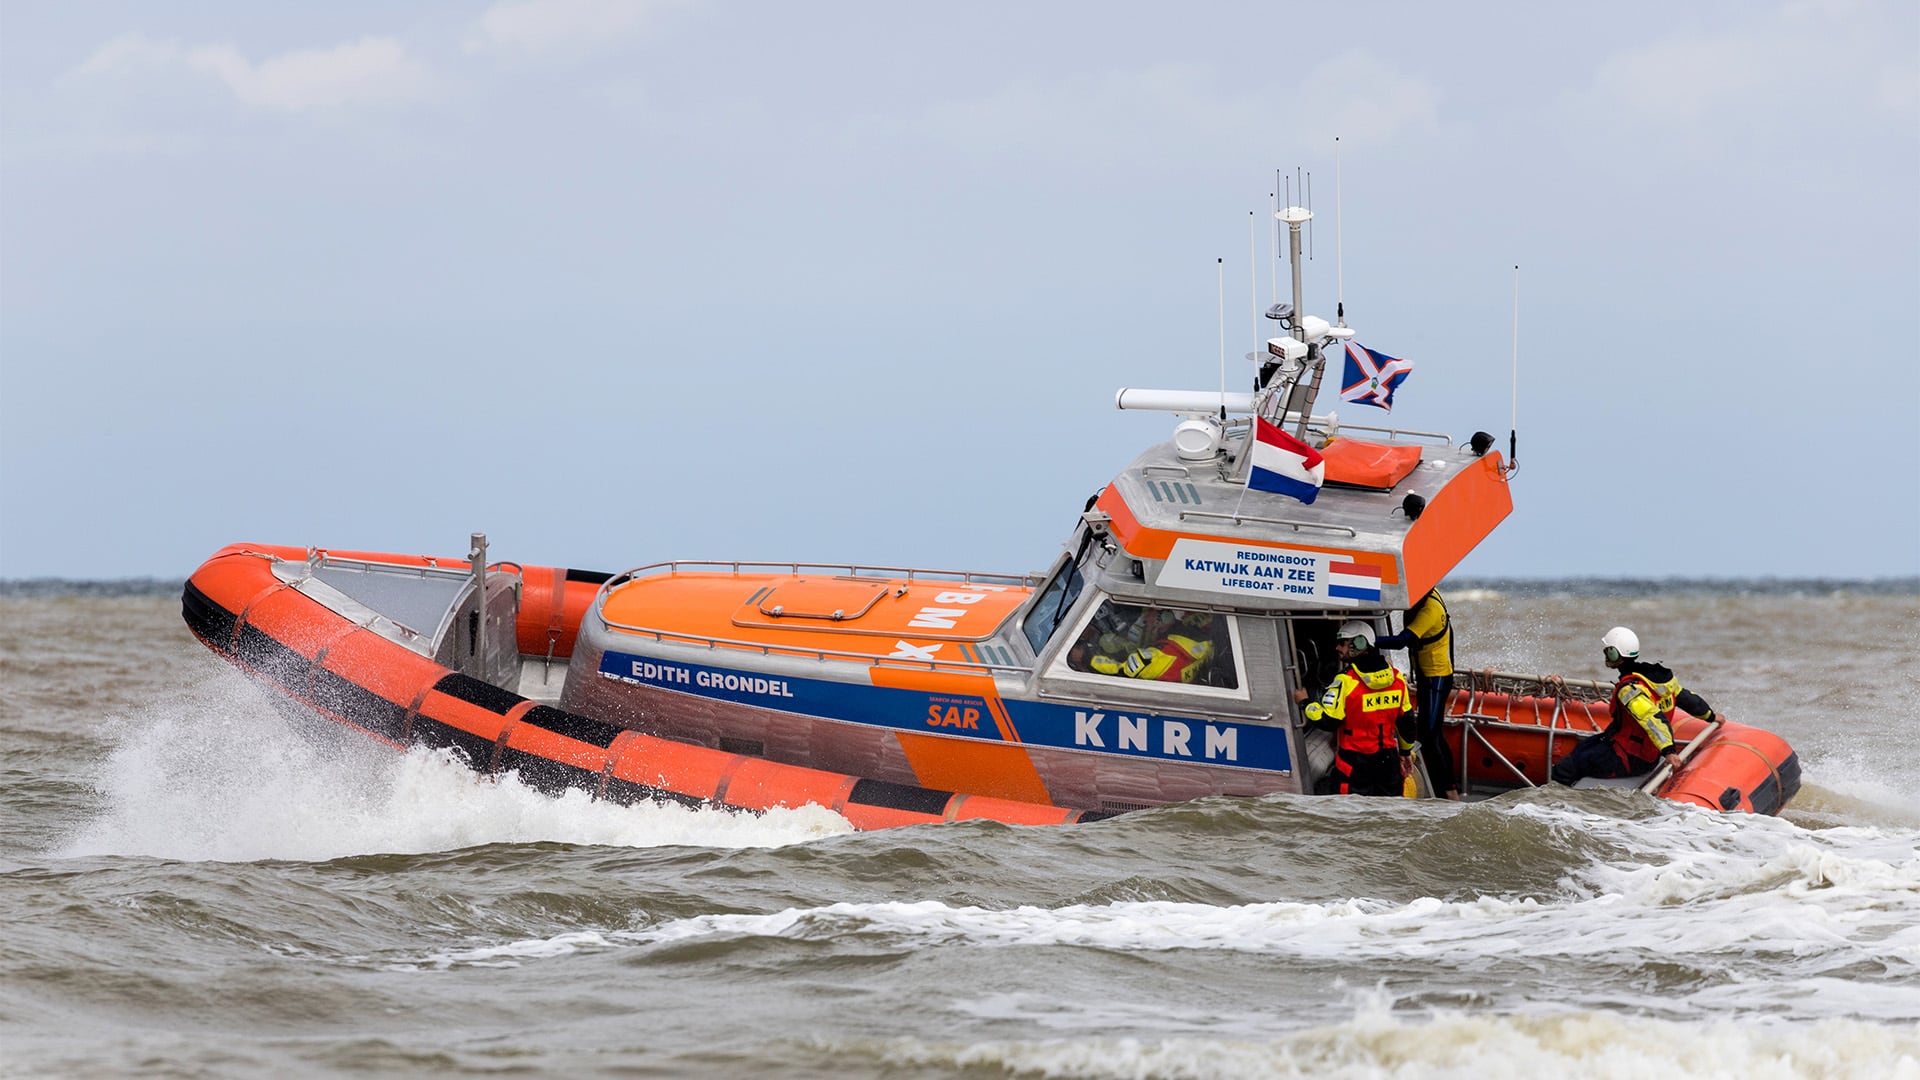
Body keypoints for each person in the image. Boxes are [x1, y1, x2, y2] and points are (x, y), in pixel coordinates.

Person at [1551, 626, 1718, 786]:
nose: (1605, 655)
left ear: (1614, 653)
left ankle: (1559, 803)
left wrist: (1669, 751)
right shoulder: (1660, 680)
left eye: (1607, 651)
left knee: (1563, 769)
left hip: (1631, 758)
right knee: (1584, 746)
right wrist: (1710, 716)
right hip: (1636, 750)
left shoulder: (1629, 690)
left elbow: (1652, 718)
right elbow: (1688, 699)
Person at [1302, 620, 1416, 796]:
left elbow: (1328, 721)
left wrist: (1305, 703)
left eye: (1342, 643)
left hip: (1354, 764)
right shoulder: (1397, 678)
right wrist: (1406, 752)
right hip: (1388, 763)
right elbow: (1406, 721)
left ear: (1360, 643)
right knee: (1389, 808)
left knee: (1350, 810)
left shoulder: (1345, 681)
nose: (1337, 648)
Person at [1373, 588, 1460, 800]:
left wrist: (1367, 640)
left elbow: (1403, 640)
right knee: (1434, 733)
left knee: (1429, 735)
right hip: (1426, 675)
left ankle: (1449, 793)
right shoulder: (1427, 594)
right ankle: (1448, 789)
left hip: (1436, 677)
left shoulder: (1430, 609)